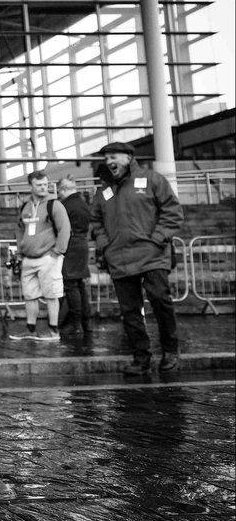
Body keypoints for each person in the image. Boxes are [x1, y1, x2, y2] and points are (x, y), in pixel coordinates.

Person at [90, 141, 184, 376]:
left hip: (152, 255)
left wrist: (158, 238)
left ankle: (170, 352)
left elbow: (172, 212)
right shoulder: (104, 192)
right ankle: (141, 358)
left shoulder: (153, 180)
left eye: (114, 157)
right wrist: (105, 246)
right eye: (107, 158)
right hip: (119, 259)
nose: (110, 162)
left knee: (161, 302)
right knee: (130, 312)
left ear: (129, 157)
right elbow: (95, 222)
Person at [11, 170, 70, 342]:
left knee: (51, 294)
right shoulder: (26, 207)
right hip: (29, 257)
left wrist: (57, 252)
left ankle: (53, 330)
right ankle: (31, 328)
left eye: (45, 184)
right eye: (39, 185)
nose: (43, 187)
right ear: (31, 186)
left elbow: (65, 229)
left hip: (48, 257)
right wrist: (20, 253)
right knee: (30, 295)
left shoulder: (55, 205)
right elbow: (19, 229)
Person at [56, 175, 94, 337]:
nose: (58, 195)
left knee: (71, 285)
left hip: (70, 246)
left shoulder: (65, 206)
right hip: (82, 244)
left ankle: (75, 323)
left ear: (63, 189)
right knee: (80, 286)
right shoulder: (83, 204)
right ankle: (86, 322)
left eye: (59, 192)